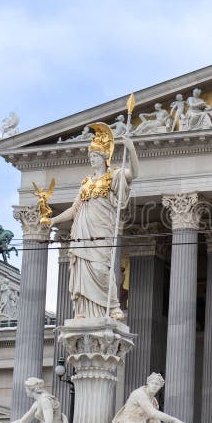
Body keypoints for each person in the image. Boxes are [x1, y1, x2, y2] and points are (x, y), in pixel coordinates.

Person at [49, 123, 137, 318]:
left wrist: (130, 149)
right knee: (81, 270)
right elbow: (73, 210)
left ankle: (113, 306)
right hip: (82, 231)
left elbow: (134, 174)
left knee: (100, 268)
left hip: (101, 229)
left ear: (105, 157)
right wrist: (52, 220)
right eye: (90, 157)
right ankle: (82, 310)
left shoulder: (114, 176)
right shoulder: (86, 183)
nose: (92, 160)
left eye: (95, 156)